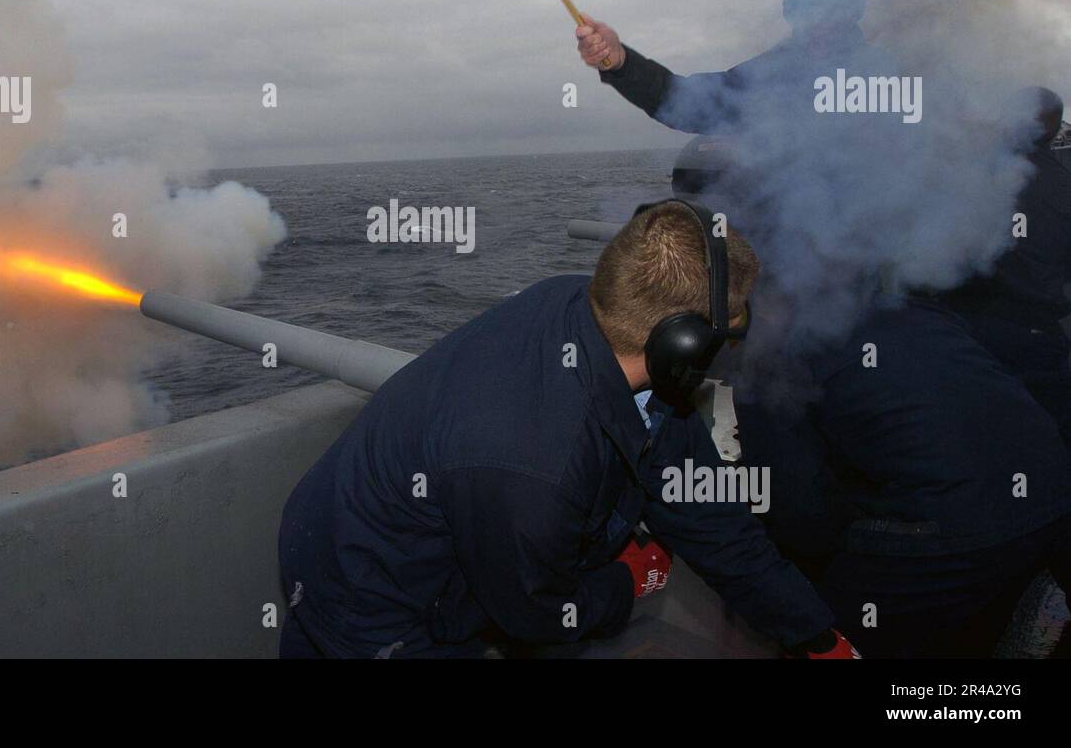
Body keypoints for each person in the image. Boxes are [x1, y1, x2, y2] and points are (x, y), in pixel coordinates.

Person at [278, 201, 856, 658]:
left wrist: (814, 635)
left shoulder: (586, 310)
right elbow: (534, 612)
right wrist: (626, 583)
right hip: (369, 594)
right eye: (728, 330)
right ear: (683, 344)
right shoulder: (534, 463)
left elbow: (704, 511)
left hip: (389, 532)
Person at [735, 296, 1071, 657]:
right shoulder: (905, 307)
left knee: (825, 634)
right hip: (1053, 489)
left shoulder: (765, 365)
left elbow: (799, 513)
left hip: (957, 521)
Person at [576, 0, 895, 135]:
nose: (817, 17)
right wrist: (620, 62)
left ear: (854, 7)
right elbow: (687, 103)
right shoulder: (768, 76)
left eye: (828, 3)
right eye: (805, 4)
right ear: (790, 11)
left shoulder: (896, 78)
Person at [944, 87, 1071, 440]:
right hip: (1036, 341)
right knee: (1047, 442)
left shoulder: (968, 177)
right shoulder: (1065, 189)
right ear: (1056, 127)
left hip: (967, 332)